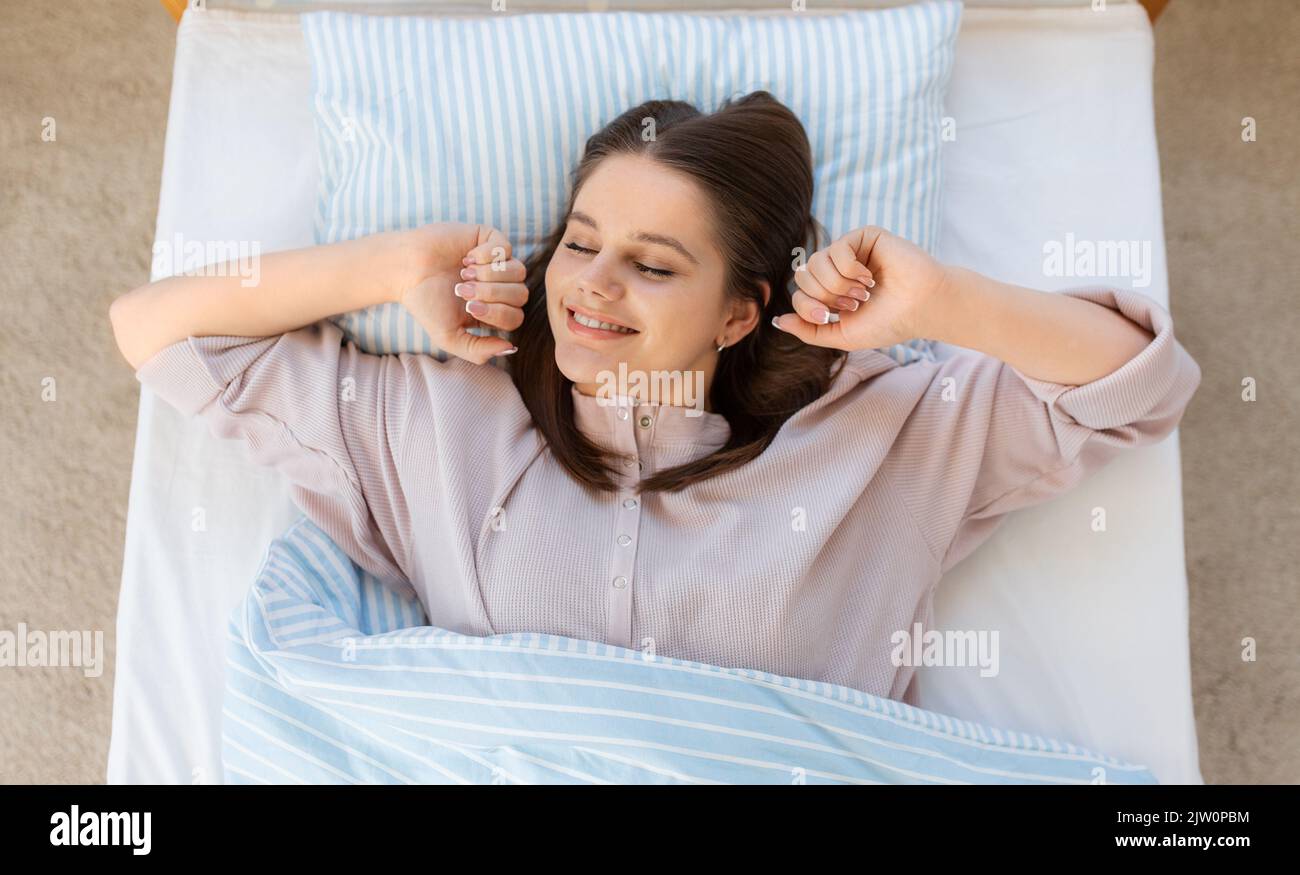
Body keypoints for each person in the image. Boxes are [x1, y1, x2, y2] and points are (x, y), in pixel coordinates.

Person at [110, 91, 1200, 703]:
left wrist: (943, 301)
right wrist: (391, 264)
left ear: (739, 312)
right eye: (580, 242)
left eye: (654, 262)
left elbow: (1136, 386)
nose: (590, 282)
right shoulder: (440, 422)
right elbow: (152, 329)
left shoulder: (880, 436)